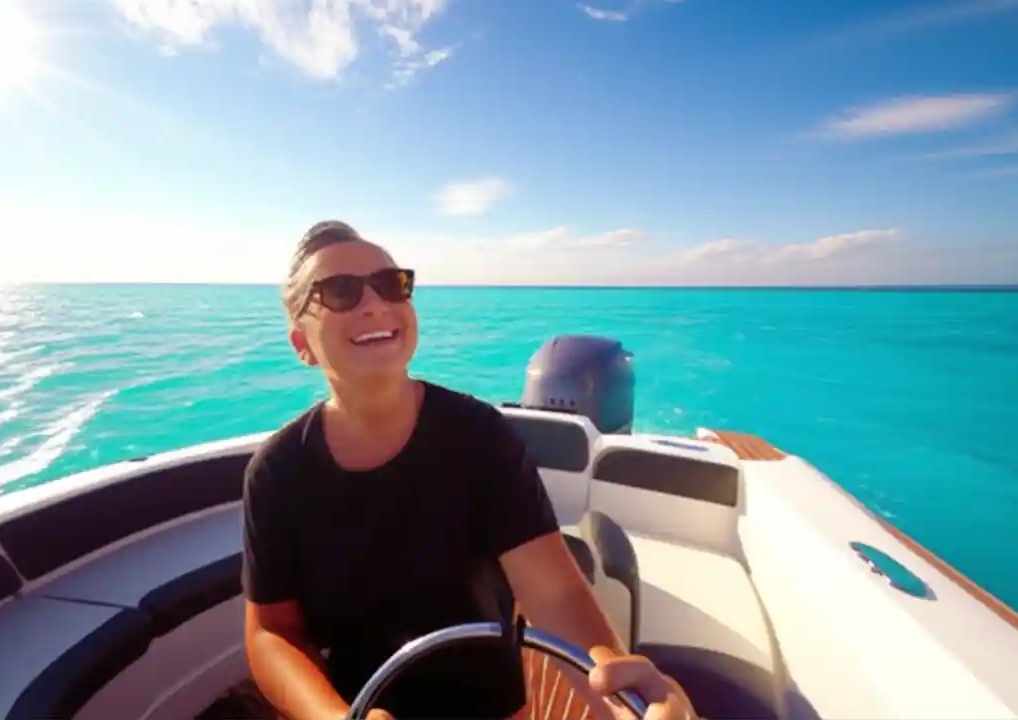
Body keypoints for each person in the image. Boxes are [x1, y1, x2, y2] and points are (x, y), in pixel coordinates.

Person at [241, 221, 696, 720]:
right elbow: (273, 632)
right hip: (358, 705)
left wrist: (626, 702)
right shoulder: (278, 473)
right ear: (301, 344)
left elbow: (554, 594)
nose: (375, 304)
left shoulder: (480, 437)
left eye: (392, 284)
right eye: (341, 291)